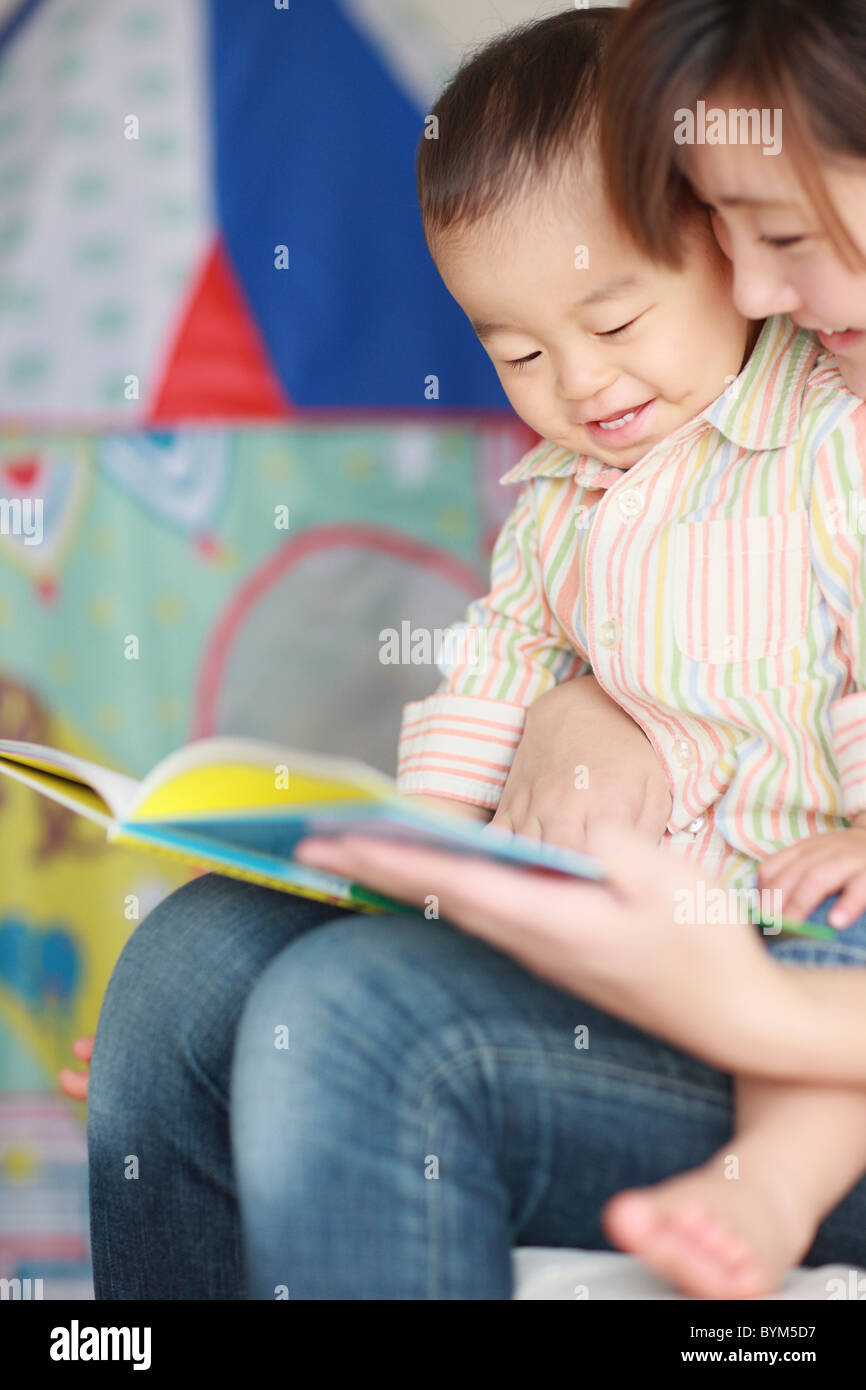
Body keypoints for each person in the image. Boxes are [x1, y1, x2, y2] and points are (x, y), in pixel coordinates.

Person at [81, 8, 866, 1300]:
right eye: (517, 354)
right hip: (659, 909)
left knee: (338, 1015)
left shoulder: (820, 433)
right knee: (190, 964)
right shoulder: (567, 492)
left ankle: (768, 1189)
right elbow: (497, 661)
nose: (575, 381)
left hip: (793, 926)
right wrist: (420, 842)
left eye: (778, 235)